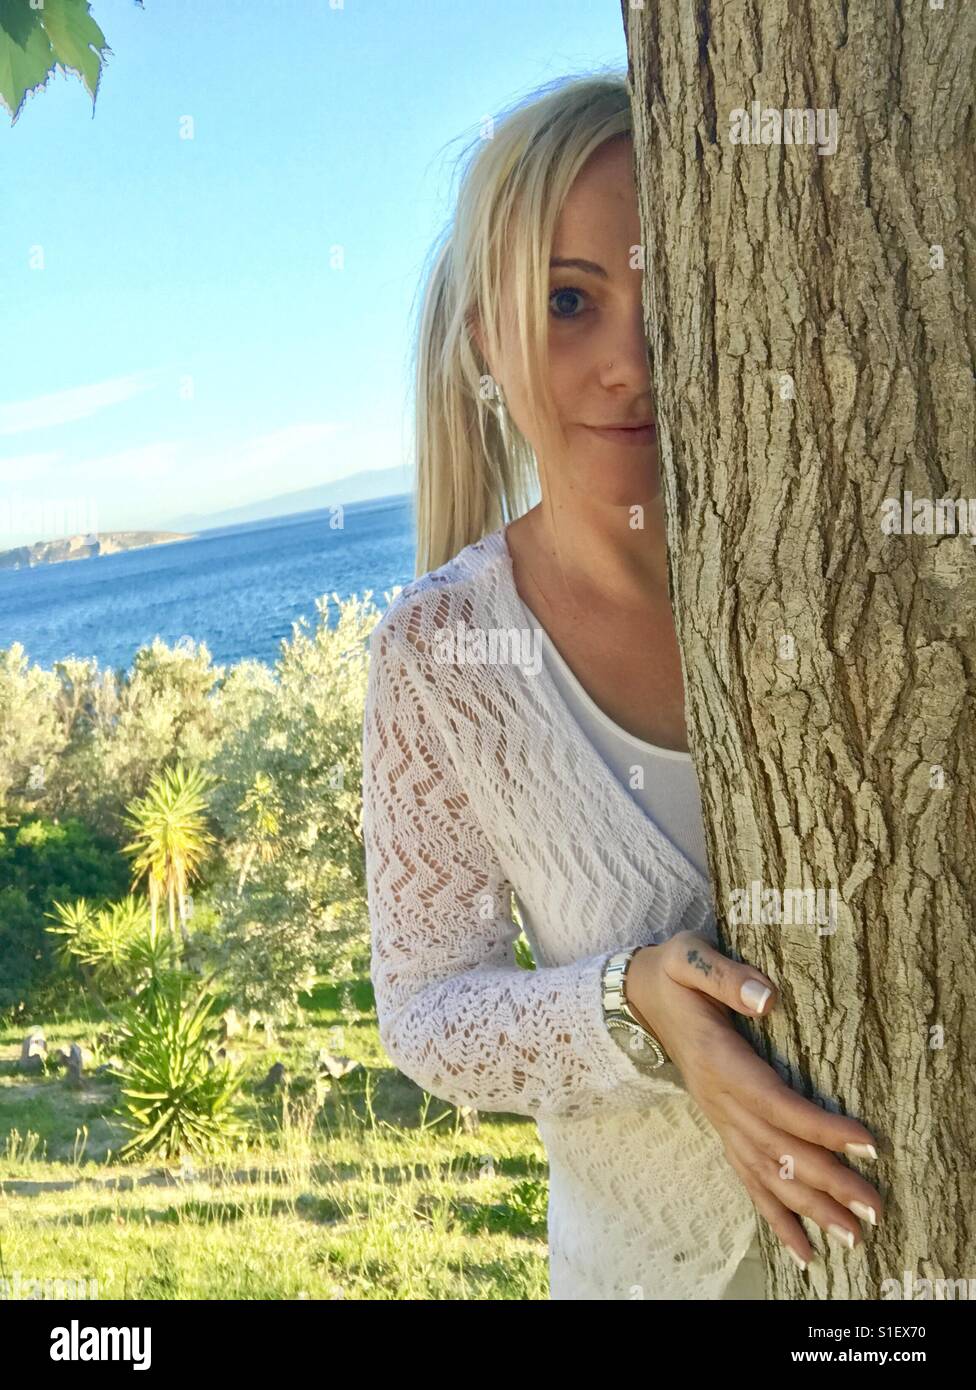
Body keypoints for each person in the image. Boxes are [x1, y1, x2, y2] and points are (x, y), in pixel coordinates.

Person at [361, 70, 883, 1300]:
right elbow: (428, 1008)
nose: (629, 363)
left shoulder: (835, 565)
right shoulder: (439, 654)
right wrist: (633, 1003)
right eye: (567, 302)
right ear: (487, 338)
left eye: (671, 291)